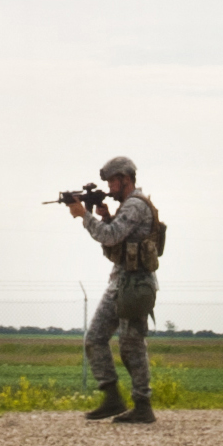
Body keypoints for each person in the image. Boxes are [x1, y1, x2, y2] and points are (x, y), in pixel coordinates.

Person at [68, 156, 163, 424]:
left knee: (132, 345)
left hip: (135, 285)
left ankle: (142, 405)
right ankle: (112, 397)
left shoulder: (135, 205)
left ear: (125, 179)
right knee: (95, 338)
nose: (109, 187)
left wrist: (84, 216)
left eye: (112, 182)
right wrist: (106, 217)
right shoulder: (127, 206)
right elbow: (117, 239)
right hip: (123, 282)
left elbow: (110, 236)